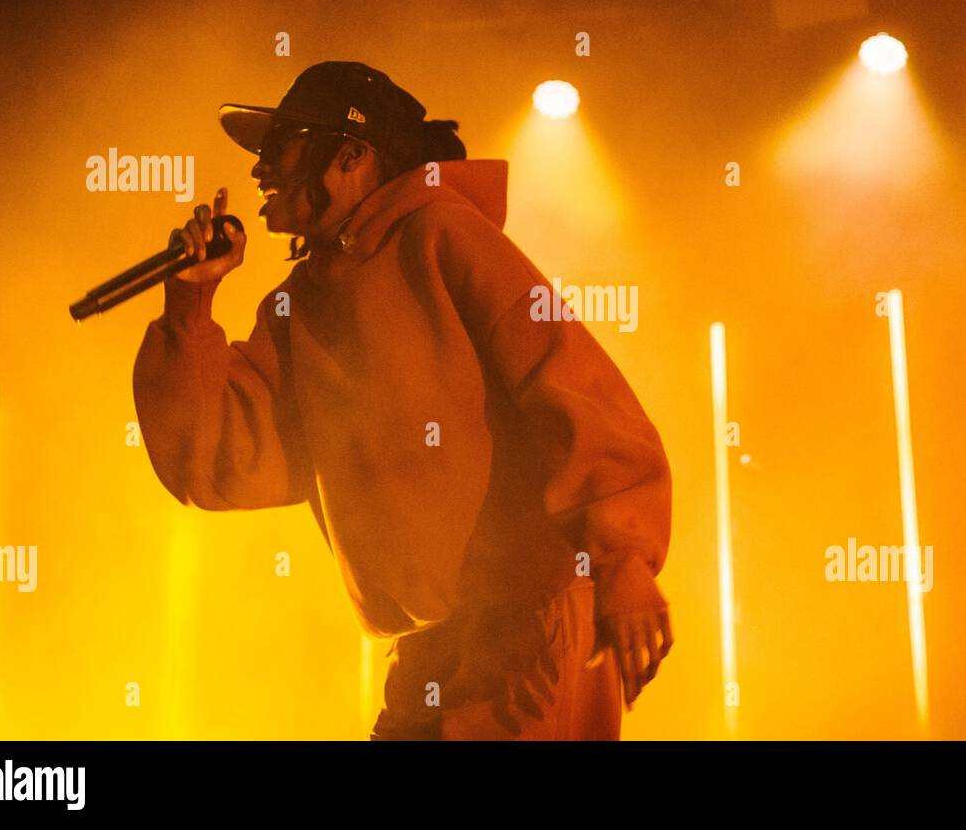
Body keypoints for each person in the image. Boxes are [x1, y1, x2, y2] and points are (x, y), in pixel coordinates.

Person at [132, 61, 673, 739]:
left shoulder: (443, 234)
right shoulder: (300, 304)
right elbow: (220, 457)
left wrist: (622, 558)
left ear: (351, 154)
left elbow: (572, 384)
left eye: (280, 146)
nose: (259, 170)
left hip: (527, 629)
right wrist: (189, 305)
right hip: (430, 651)